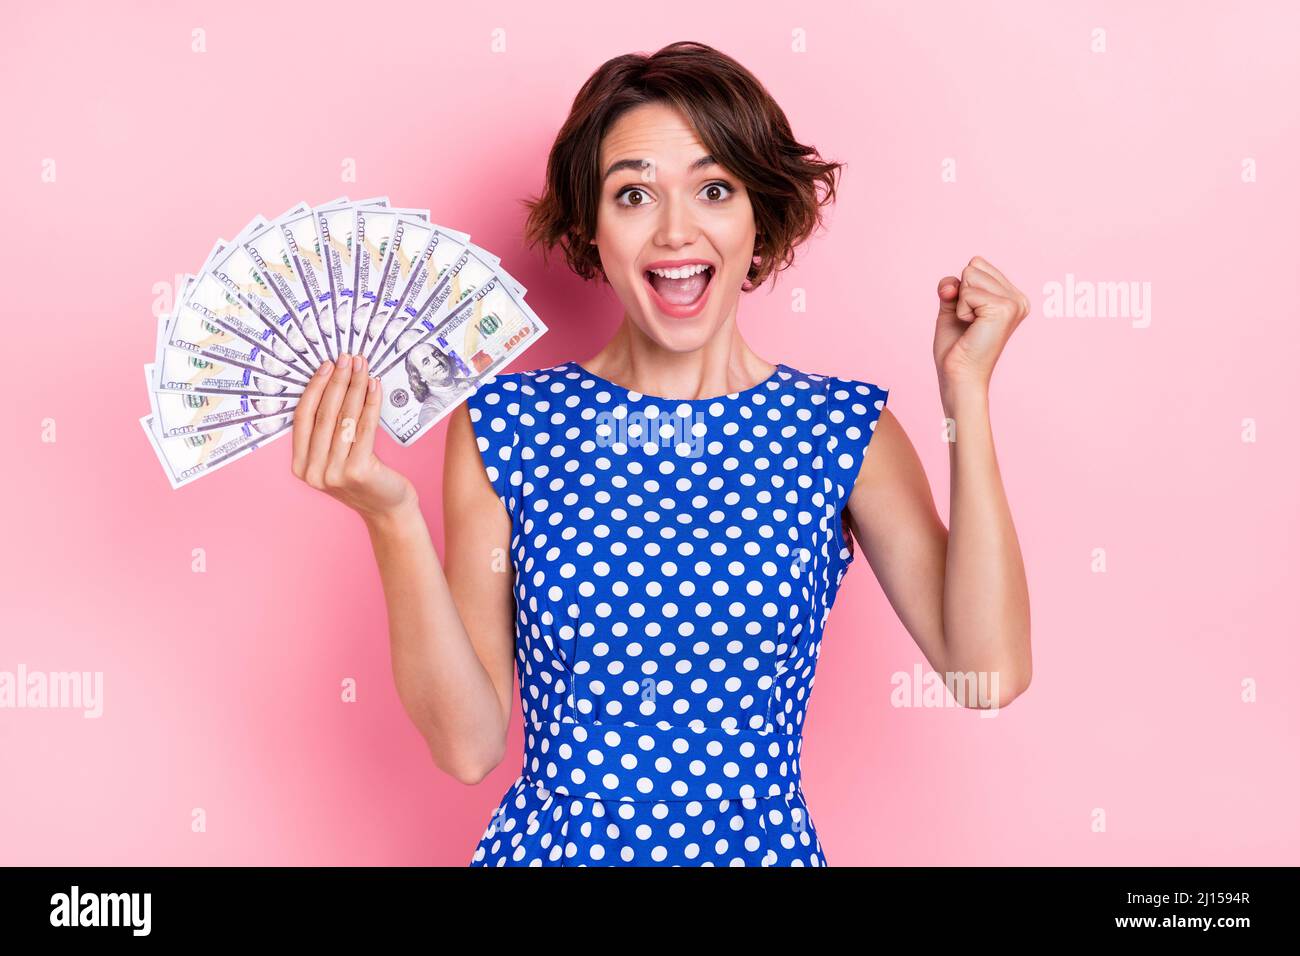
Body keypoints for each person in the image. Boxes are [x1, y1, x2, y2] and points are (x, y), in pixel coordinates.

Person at [289, 41, 1032, 866]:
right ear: (590, 228)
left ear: (759, 219)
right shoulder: (506, 426)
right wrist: (391, 518)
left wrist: (966, 393)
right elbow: (468, 748)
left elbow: (989, 672)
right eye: (634, 194)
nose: (676, 230)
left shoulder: (841, 432)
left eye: (714, 189)